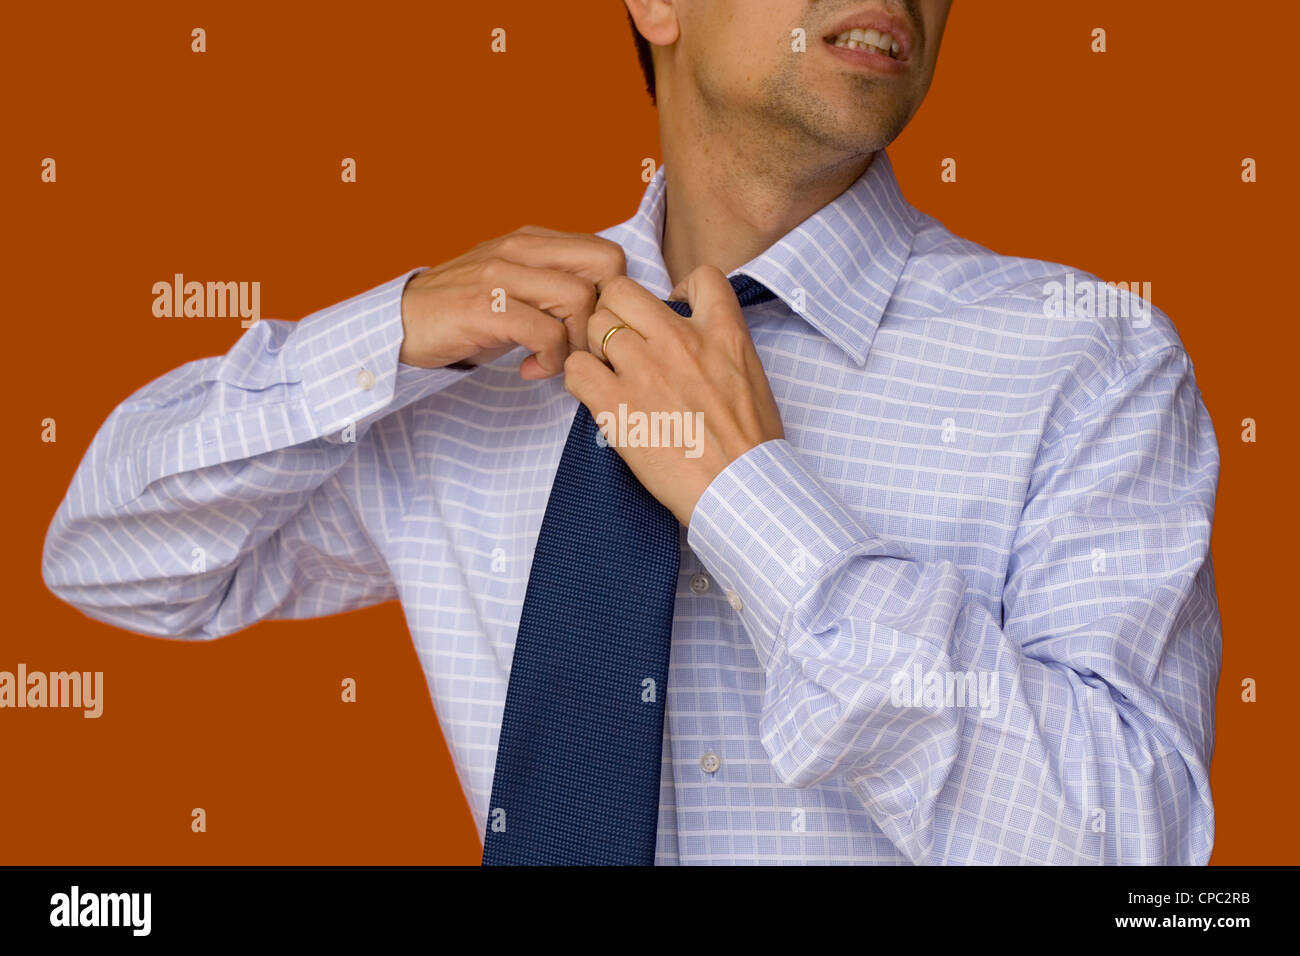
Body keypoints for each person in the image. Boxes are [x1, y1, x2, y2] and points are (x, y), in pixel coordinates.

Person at [42, 0, 1222, 865]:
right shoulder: (482, 366)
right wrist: (379, 333)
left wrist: (754, 498)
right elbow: (112, 556)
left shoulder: (1089, 356)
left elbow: (1134, 853)